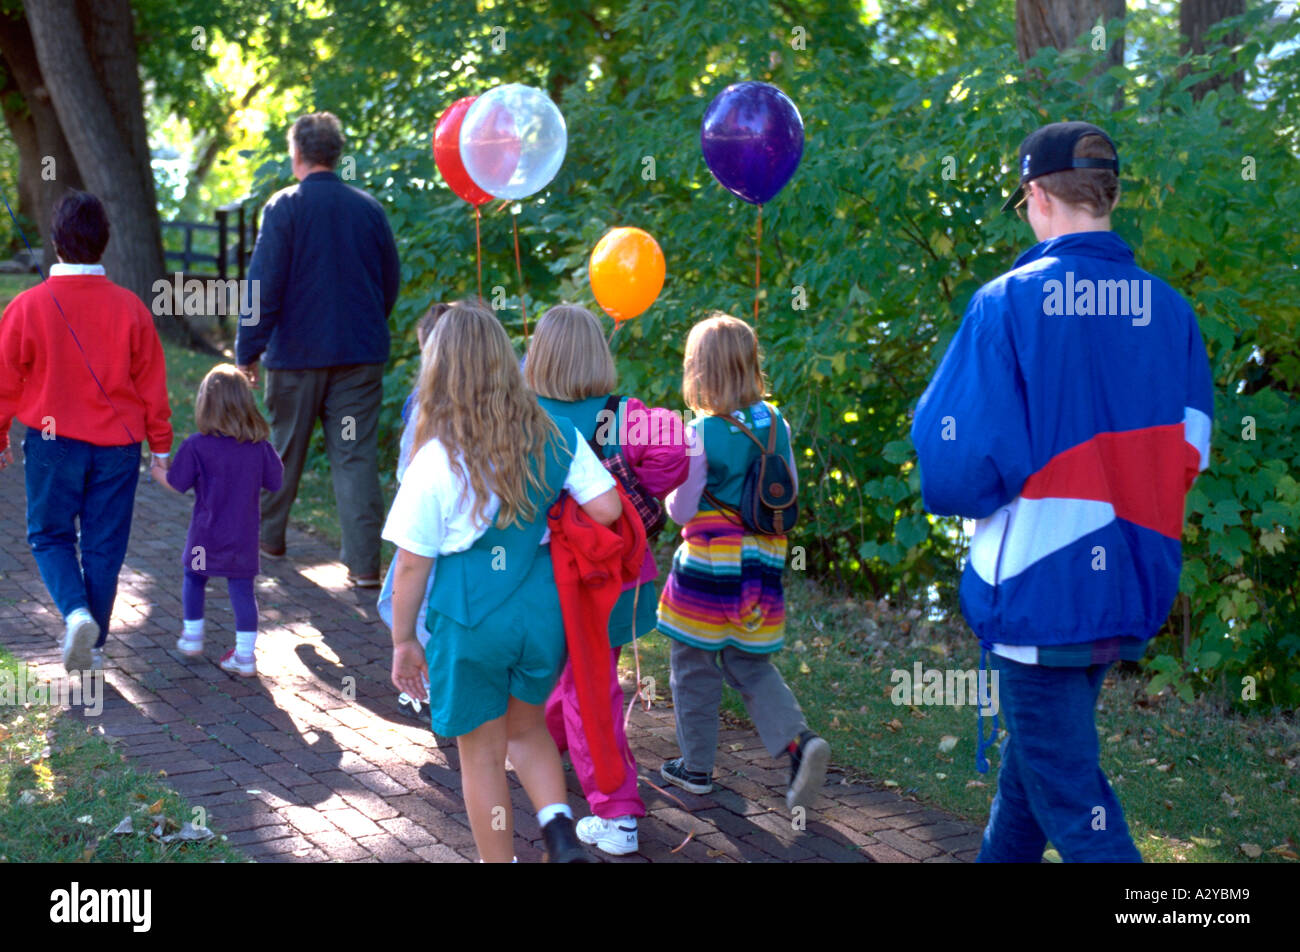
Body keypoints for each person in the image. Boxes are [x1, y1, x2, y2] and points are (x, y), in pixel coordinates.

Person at [911, 121, 1214, 862]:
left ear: (1038, 196)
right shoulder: (1170, 311)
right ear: (1107, 197)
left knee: (1078, 807)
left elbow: (956, 464)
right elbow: (1192, 451)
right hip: (1124, 586)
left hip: (1038, 592)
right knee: (1032, 781)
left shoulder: (1006, 304)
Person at [383, 302, 622, 863]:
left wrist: (403, 640)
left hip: (471, 618)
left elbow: (412, 564)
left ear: (438, 369)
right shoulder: (555, 435)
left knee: (482, 754)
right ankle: (560, 829)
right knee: (526, 727)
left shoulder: (436, 458)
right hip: (542, 614)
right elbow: (608, 507)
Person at [526, 304, 690, 856]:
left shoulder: (524, 414)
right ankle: (539, 743)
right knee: (582, 682)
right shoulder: (625, 415)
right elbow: (678, 449)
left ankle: (616, 812)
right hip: (618, 579)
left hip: (545, 580)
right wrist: (631, 483)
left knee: (584, 687)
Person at [656, 313, 830, 811]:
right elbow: (787, 494)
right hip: (761, 565)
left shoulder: (700, 433)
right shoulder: (777, 422)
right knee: (749, 663)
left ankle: (696, 769)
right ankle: (800, 742)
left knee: (692, 665)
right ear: (751, 365)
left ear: (700, 372)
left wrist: (669, 500)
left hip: (709, 569)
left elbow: (683, 510)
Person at [0, 190, 173, 674]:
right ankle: (93, 645)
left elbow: (4, 380)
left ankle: (76, 614)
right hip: (118, 446)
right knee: (104, 546)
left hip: (53, 444)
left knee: (50, 535)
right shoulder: (132, 308)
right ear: (105, 242)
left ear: (56, 241)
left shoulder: (27, 306)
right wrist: (160, 449)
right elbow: (152, 387)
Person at [234, 111, 400, 588]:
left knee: (283, 448)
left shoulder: (284, 207)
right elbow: (389, 282)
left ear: (297, 155)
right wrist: (367, 324)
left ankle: (268, 539)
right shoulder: (369, 209)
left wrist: (248, 349)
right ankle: (366, 564)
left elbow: (263, 285)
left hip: (297, 357)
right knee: (355, 456)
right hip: (359, 356)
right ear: (336, 153)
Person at [151, 364, 283, 676]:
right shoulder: (259, 447)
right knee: (242, 591)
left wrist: (158, 471)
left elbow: (178, 484)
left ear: (205, 403)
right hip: (243, 537)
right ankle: (246, 655)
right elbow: (276, 482)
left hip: (205, 536)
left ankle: (193, 637)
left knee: (194, 578)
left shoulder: (196, 445)